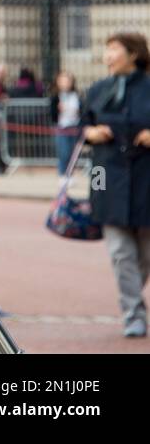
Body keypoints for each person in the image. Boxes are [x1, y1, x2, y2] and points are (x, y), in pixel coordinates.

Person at [82, 32, 150, 339]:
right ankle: (133, 313)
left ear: (133, 54)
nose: (108, 55)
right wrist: (90, 133)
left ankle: (132, 297)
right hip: (105, 177)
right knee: (121, 254)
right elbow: (78, 126)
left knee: (144, 255)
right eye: (106, 49)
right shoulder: (98, 89)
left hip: (145, 177)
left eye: (114, 49)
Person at [51, 71, 84, 178]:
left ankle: (69, 174)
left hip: (74, 127)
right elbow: (52, 113)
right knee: (63, 152)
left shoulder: (76, 95)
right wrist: (57, 109)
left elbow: (82, 110)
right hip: (62, 127)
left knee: (73, 153)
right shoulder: (56, 96)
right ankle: (62, 174)